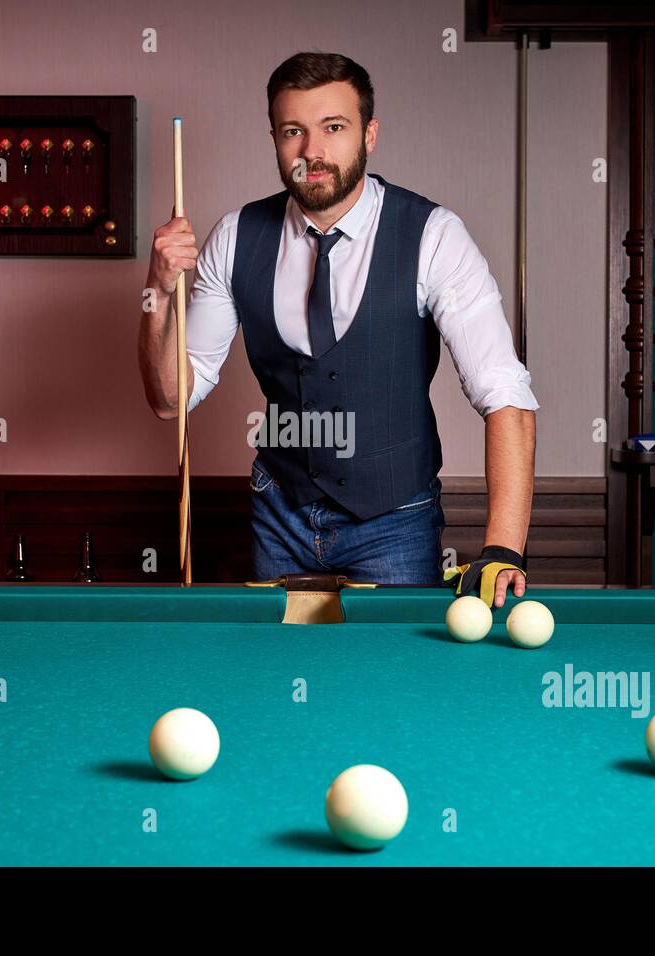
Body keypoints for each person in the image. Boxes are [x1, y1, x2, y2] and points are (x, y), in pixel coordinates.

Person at [139, 51, 538, 607]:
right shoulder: (235, 238)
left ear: (369, 134)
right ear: (275, 139)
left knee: (392, 688)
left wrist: (503, 547)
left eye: (333, 127)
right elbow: (172, 397)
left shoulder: (434, 236)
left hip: (394, 522)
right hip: (278, 515)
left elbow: (505, 394)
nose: (312, 152)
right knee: (279, 685)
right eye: (293, 131)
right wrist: (157, 291)